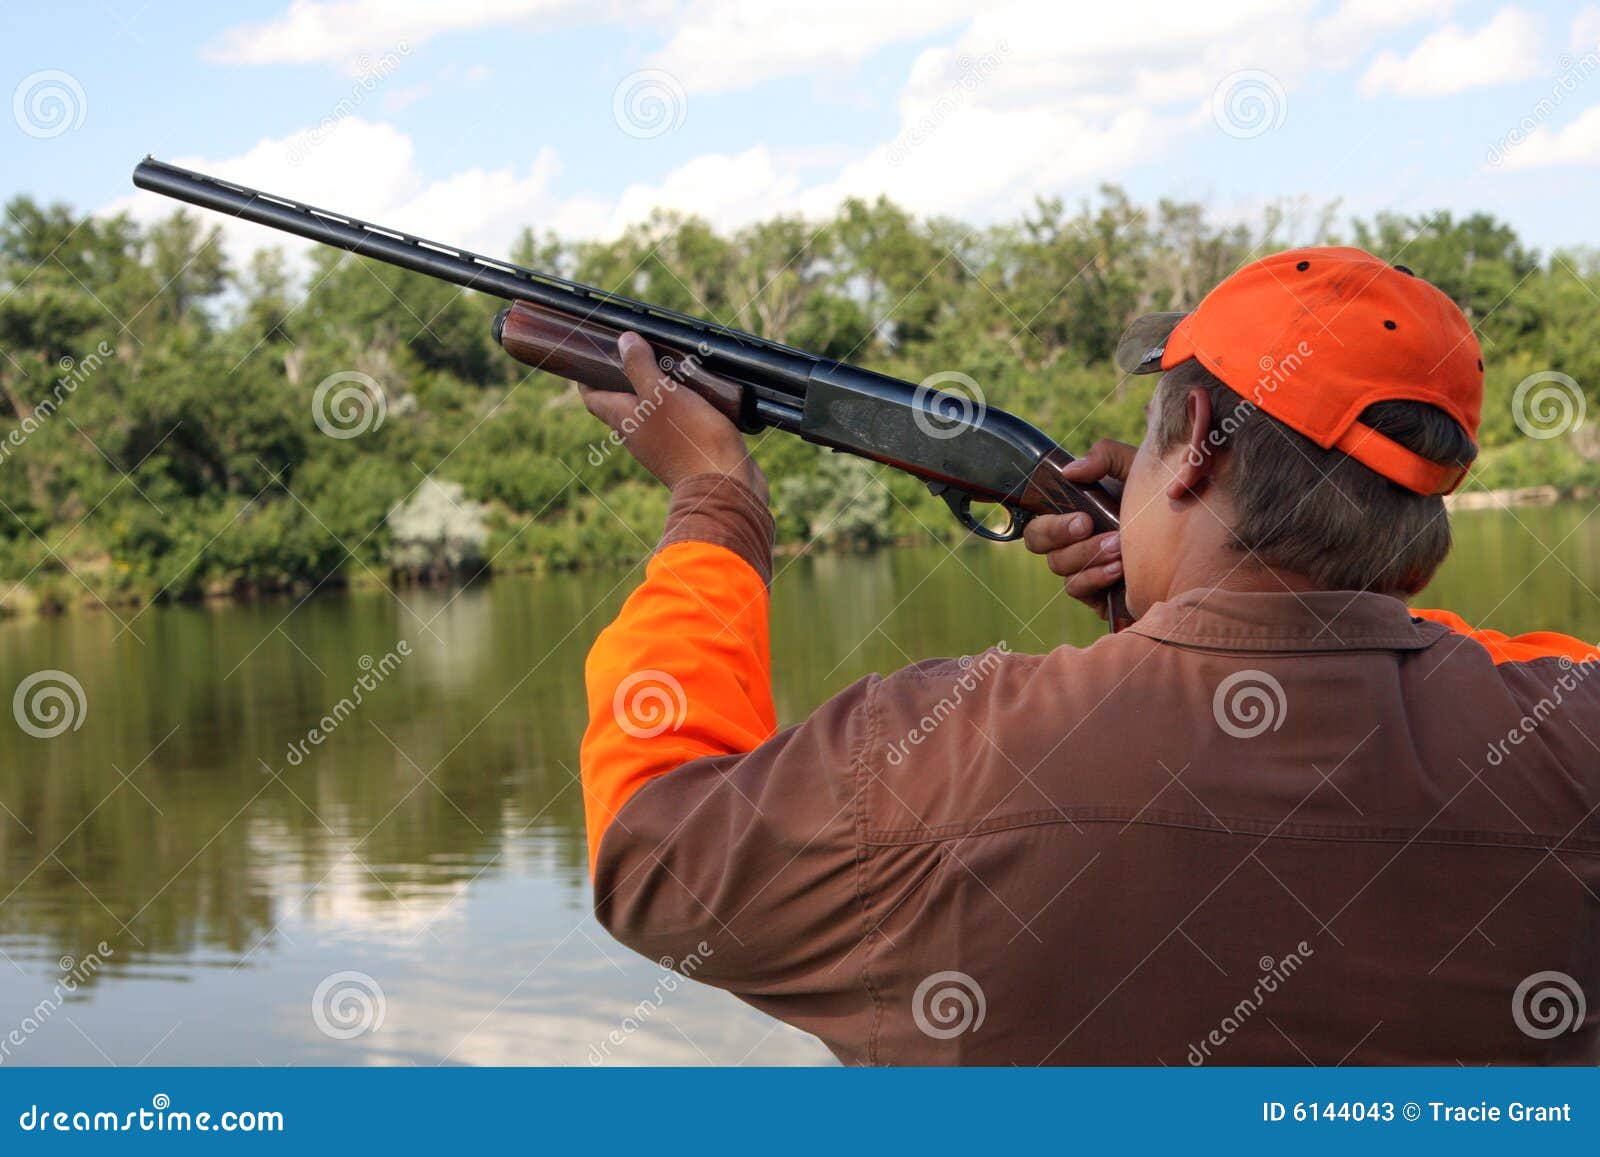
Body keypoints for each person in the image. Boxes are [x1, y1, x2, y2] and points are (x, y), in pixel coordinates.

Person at [576, 247, 1599, 1065]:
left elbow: (652, 846)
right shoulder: (1565, 730)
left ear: (1195, 434)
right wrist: (1190, 603)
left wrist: (715, 501)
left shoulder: (937, 756)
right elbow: (1403, 664)